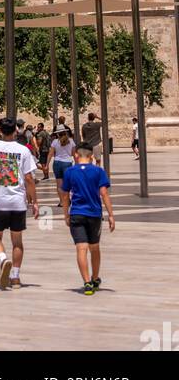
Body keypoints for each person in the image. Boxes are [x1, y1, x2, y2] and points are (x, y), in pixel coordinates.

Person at [0, 114, 39, 290]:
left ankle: (3, 259)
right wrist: (35, 202)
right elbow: (29, 178)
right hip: (18, 202)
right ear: (15, 130)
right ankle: (15, 277)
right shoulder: (23, 151)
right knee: (17, 241)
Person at [59, 145, 115, 294]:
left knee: (81, 248)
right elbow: (104, 193)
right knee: (94, 248)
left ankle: (87, 282)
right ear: (91, 156)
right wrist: (111, 215)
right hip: (94, 214)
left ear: (76, 155)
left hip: (76, 213)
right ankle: (95, 278)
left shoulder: (70, 172)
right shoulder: (98, 171)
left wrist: (66, 214)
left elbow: (64, 195)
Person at [46, 126, 76, 206]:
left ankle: (62, 202)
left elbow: (50, 154)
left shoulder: (55, 142)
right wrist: (77, 164)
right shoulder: (71, 141)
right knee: (67, 183)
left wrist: (47, 165)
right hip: (67, 163)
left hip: (57, 163)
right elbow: (74, 154)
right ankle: (67, 199)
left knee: (59, 184)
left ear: (57, 134)